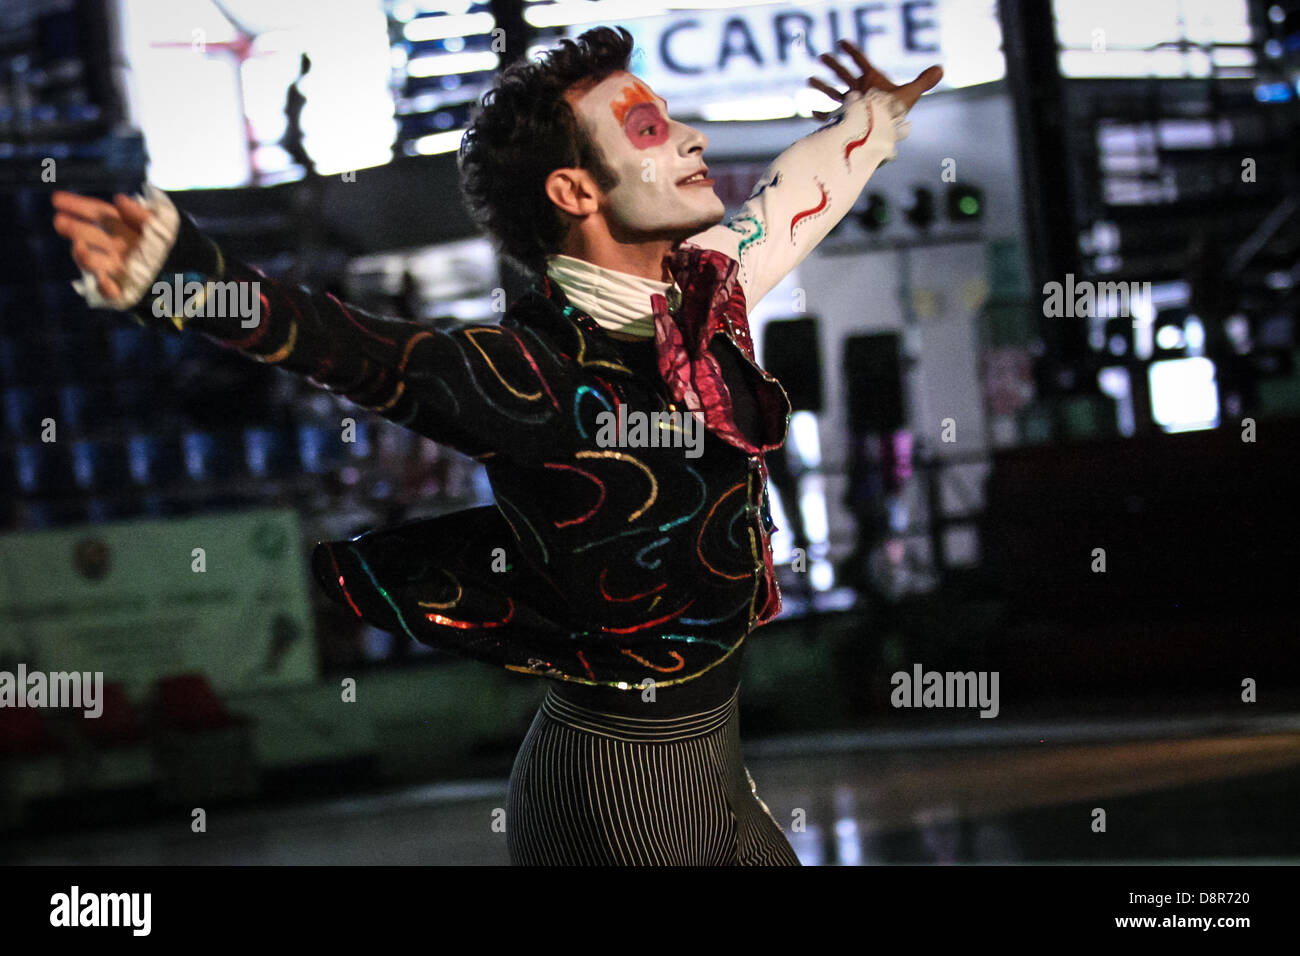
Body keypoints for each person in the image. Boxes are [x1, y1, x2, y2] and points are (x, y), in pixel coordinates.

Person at [50, 26, 940, 865]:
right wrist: (189, 280)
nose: (693, 138)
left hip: (705, 763)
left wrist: (871, 117)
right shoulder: (527, 375)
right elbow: (355, 349)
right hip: (619, 785)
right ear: (575, 192)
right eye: (650, 128)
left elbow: (795, 199)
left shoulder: (708, 289)